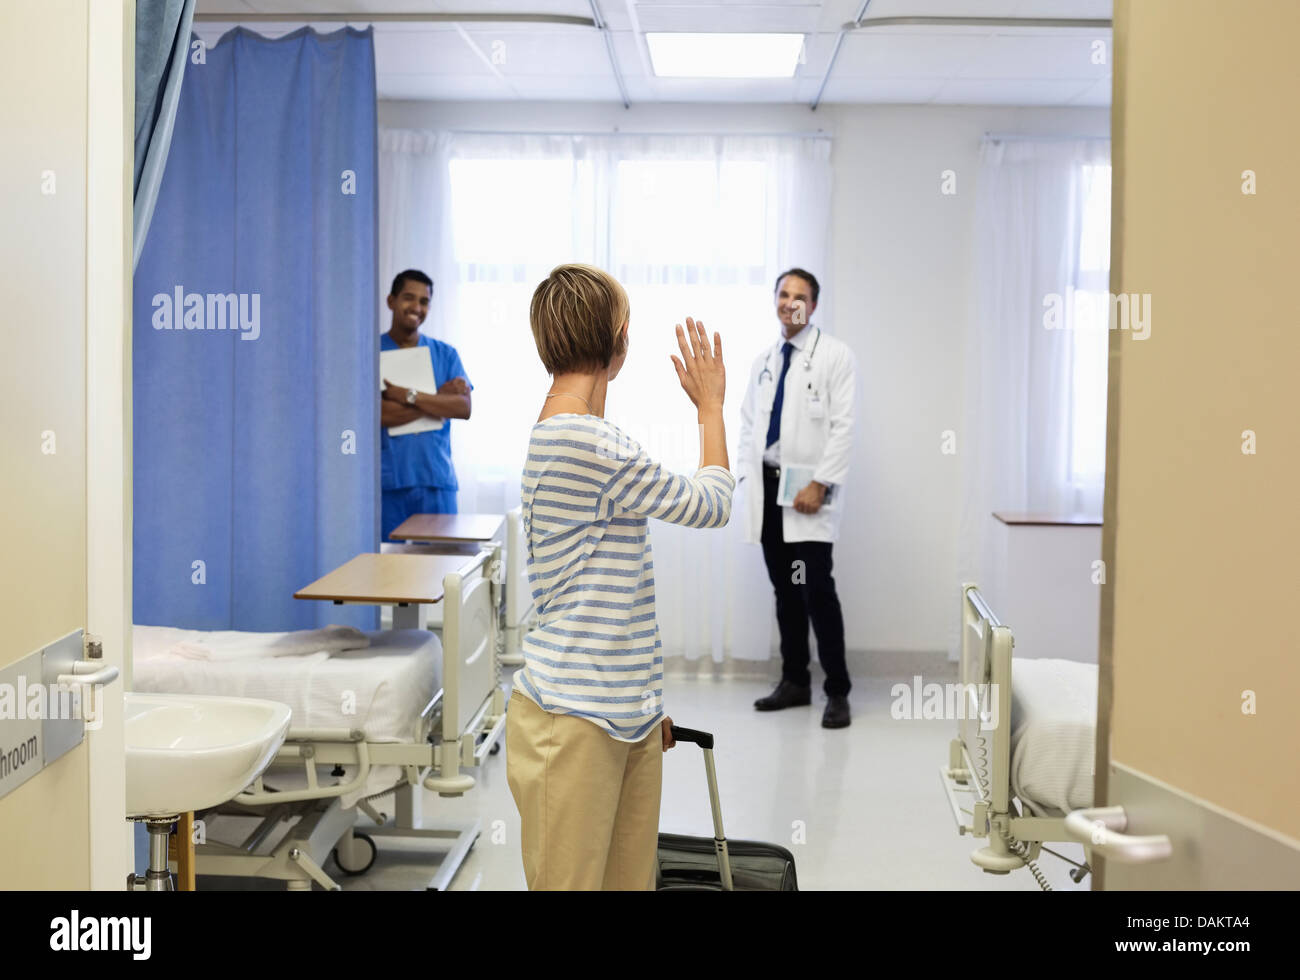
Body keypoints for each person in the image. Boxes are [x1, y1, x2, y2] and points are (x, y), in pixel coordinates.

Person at [507, 263, 733, 890]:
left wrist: (642, 703)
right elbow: (711, 503)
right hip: (571, 720)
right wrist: (710, 406)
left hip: (619, 712)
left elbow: (610, 586)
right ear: (621, 337)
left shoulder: (575, 433)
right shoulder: (585, 442)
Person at [737, 268, 857, 728]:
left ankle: (838, 691)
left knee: (817, 592)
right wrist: (749, 477)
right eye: (784, 294)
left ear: (813, 305)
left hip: (808, 491)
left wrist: (821, 483)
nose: (791, 302)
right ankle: (794, 682)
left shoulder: (835, 356)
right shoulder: (766, 359)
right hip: (769, 489)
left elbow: (845, 425)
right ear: (775, 300)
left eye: (800, 296)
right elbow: (749, 421)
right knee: (785, 591)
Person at [378, 269, 473, 541]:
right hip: (390, 485)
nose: (416, 307)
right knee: (389, 575)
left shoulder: (446, 353)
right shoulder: (372, 352)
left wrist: (408, 395)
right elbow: (381, 414)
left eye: (424, 301)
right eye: (409, 298)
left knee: (441, 573)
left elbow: (463, 409)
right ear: (391, 301)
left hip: (436, 483)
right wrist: (438, 397)